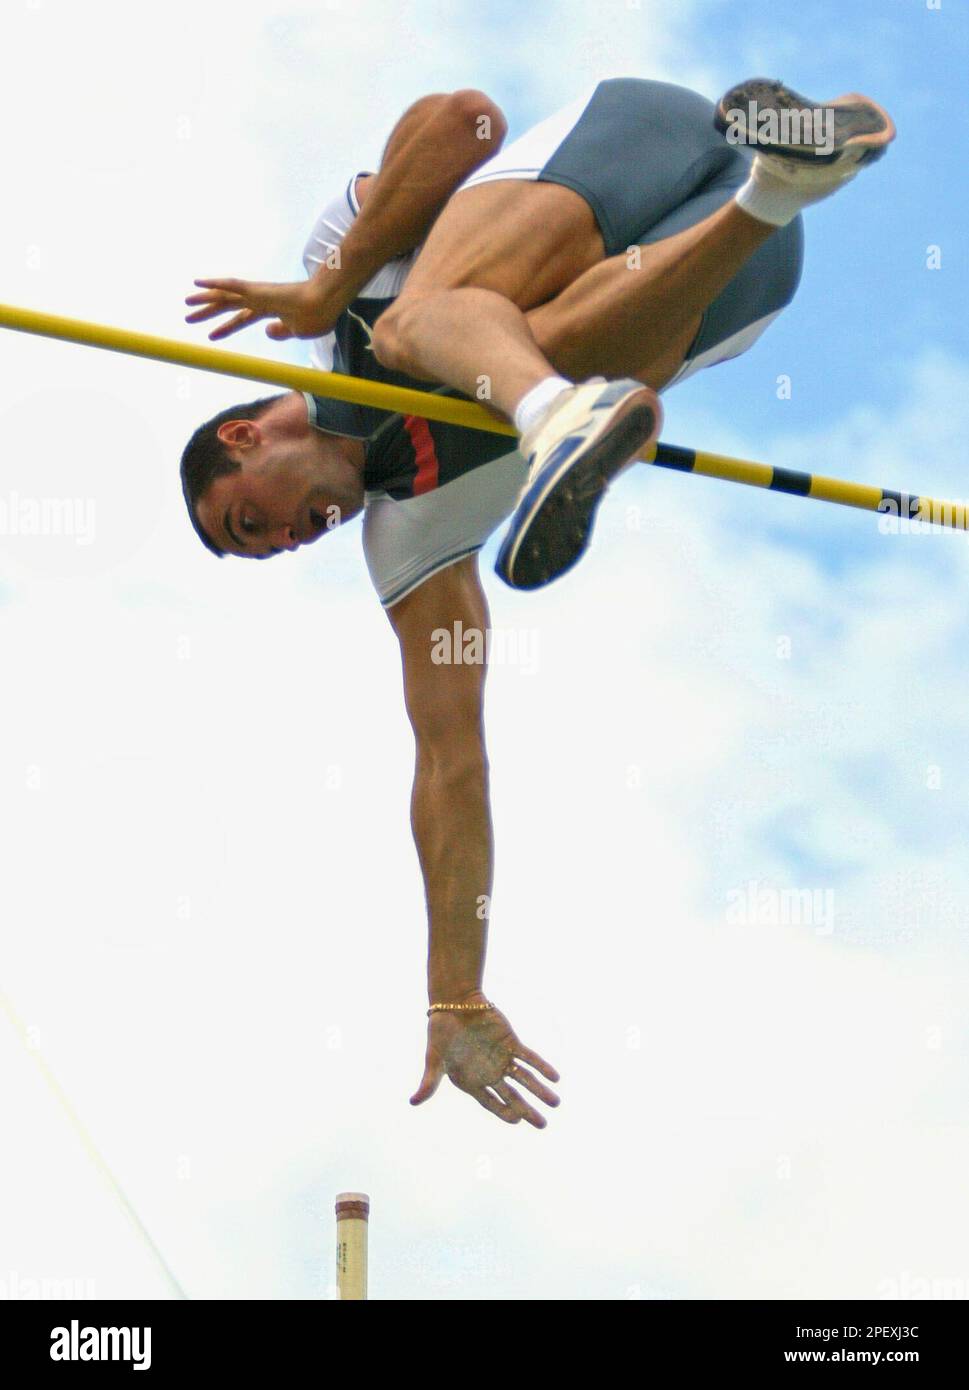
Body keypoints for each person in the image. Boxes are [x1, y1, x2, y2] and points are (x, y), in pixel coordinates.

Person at [180, 76, 894, 1128]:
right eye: (268, 553)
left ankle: (559, 412)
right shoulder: (411, 541)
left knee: (414, 322)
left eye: (253, 524)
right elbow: (450, 765)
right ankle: (777, 187)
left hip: (629, 146)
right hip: (729, 266)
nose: (288, 546)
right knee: (532, 338)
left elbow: (469, 120)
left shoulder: (343, 271)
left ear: (243, 437)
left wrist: (333, 287)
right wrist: (454, 991)